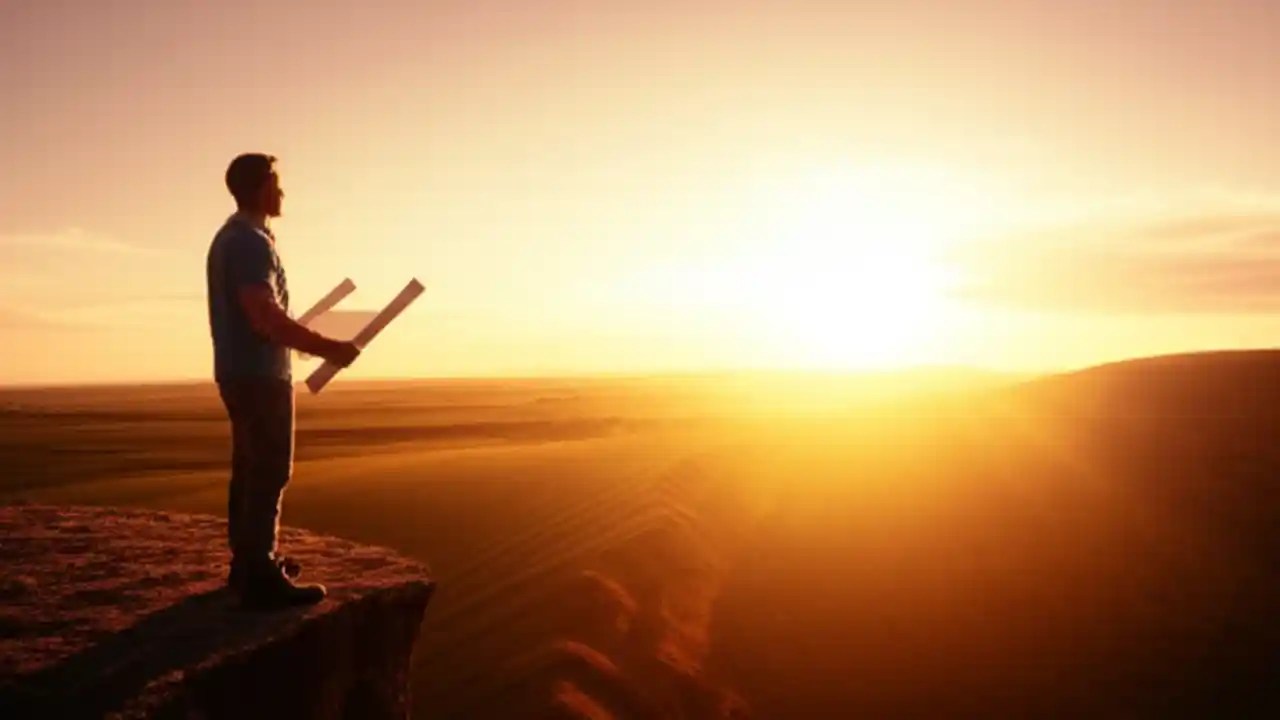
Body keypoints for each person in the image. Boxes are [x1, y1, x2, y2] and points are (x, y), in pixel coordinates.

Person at [206, 153, 360, 609]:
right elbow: (264, 317)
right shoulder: (251, 243)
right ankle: (258, 572)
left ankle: (248, 563)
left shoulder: (232, 238)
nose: (283, 192)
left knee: (251, 467)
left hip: (240, 371)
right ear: (258, 189)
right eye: (276, 183)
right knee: (271, 470)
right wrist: (329, 348)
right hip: (259, 375)